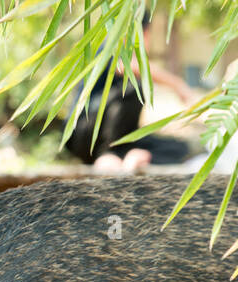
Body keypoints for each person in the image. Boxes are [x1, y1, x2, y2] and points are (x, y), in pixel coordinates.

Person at [65, 14, 197, 173]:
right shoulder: (109, 47)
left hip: (119, 140)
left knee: (179, 148)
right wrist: (177, 85)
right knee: (133, 89)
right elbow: (129, 66)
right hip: (85, 133)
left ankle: (132, 156)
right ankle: (108, 155)